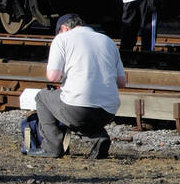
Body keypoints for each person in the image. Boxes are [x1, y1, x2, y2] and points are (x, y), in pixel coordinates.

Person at [33, 13, 127, 159]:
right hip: (108, 112)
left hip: (78, 109)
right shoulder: (108, 41)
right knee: (80, 110)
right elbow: (122, 82)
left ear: (63, 28)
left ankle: (52, 147)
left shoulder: (62, 39)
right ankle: (99, 138)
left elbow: (53, 77)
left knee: (42, 97)